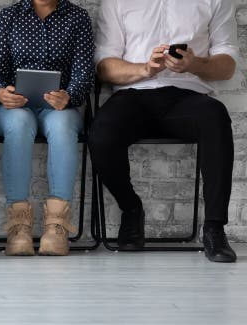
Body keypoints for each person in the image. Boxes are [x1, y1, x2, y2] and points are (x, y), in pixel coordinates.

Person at [89, 0, 239, 263]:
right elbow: (104, 66)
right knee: (101, 132)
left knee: (216, 117)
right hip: (133, 94)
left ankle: (215, 228)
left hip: (187, 95)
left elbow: (227, 66)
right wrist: (145, 69)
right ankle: (131, 209)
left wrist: (194, 64)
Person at [0, 0, 94, 257]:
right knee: (20, 122)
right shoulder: (9, 16)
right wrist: (1, 92)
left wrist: (68, 95)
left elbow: (84, 74)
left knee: (64, 124)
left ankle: (56, 226)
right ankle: (19, 226)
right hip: (13, 109)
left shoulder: (78, 18)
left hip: (58, 108)